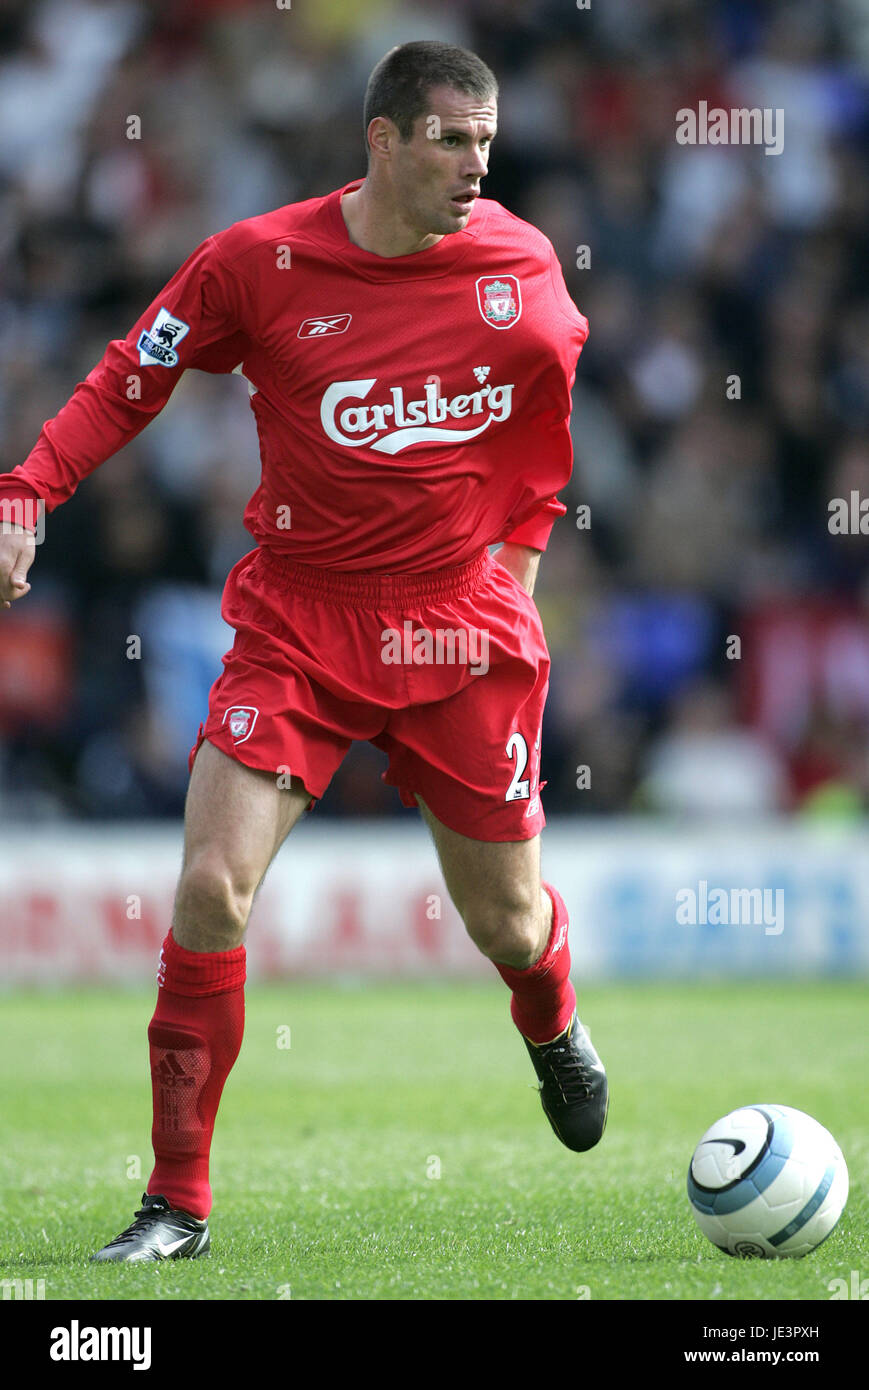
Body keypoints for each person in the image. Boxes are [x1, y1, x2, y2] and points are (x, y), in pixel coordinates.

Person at [0, 40, 607, 1263]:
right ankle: (177, 1201)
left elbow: (541, 445)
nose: (475, 165)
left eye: (486, 141)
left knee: (504, 925)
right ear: (381, 141)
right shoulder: (258, 263)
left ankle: (549, 1016)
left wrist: (518, 583)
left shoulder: (521, 271)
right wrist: (30, 487)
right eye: (450, 139)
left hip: (455, 620)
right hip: (301, 617)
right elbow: (137, 372)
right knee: (211, 888)